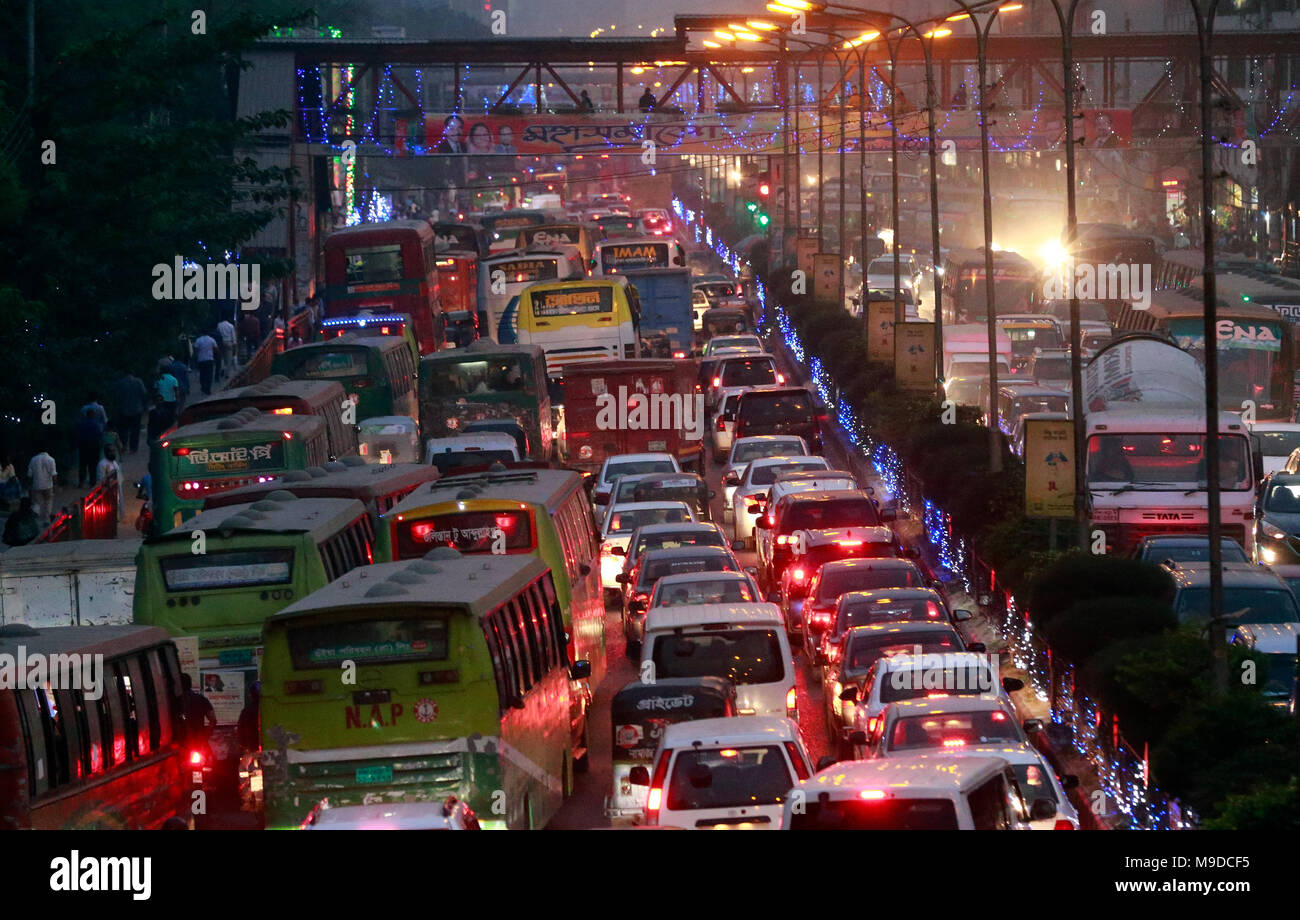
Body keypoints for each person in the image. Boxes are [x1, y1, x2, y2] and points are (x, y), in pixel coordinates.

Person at [111, 371, 149, 454]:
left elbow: (116, 397)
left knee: (123, 430)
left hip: (123, 410)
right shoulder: (138, 381)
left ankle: (123, 446)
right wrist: (145, 406)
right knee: (135, 430)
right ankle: (133, 448)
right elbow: (144, 394)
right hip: (136, 409)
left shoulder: (120, 383)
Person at [180, 673, 218, 745]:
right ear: (190, 684)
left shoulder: (175, 701)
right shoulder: (201, 699)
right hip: (199, 740)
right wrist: (206, 735)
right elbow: (213, 720)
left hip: (181, 741)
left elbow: (181, 717)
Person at [74, 406, 105, 489]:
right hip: (94, 446)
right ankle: (92, 482)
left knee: (83, 464)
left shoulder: (81, 423)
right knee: (93, 465)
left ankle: (81, 482)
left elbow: (77, 434)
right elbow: (100, 434)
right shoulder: (97, 424)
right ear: (93, 414)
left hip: (83, 446)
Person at [27, 446, 57, 525]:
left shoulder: (33, 460)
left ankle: (35, 520)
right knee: (48, 501)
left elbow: (29, 475)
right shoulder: (51, 460)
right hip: (48, 485)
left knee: (36, 502)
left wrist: (30, 486)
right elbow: (54, 475)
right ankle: (46, 519)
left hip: (36, 485)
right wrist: (55, 485)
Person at [96, 447, 124, 521]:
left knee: (116, 503)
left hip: (116, 487)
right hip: (108, 488)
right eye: (110, 451)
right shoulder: (102, 464)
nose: (113, 453)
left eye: (113, 451)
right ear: (106, 453)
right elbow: (101, 479)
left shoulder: (114, 462)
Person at [237, 681, 261, 753]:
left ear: (251, 695)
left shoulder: (246, 711)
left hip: (252, 748)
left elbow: (240, 730)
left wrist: (243, 744)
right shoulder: (272, 709)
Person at [155, 361, 180, 428]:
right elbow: (176, 392)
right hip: (172, 400)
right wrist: (177, 401)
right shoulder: (174, 379)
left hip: (161, 401)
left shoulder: (158, 379)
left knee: (162, 417)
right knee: (171, 417)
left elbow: (155, 390)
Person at [193, 331, 218, 396]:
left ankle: (203, 388)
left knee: (202, 374)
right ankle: (208, 389)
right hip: (209, 359)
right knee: (209, 375)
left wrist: (196, 357)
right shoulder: (211, 339)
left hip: (201, 360)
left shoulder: (198, 340)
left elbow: (195, 350)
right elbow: (216, 348)